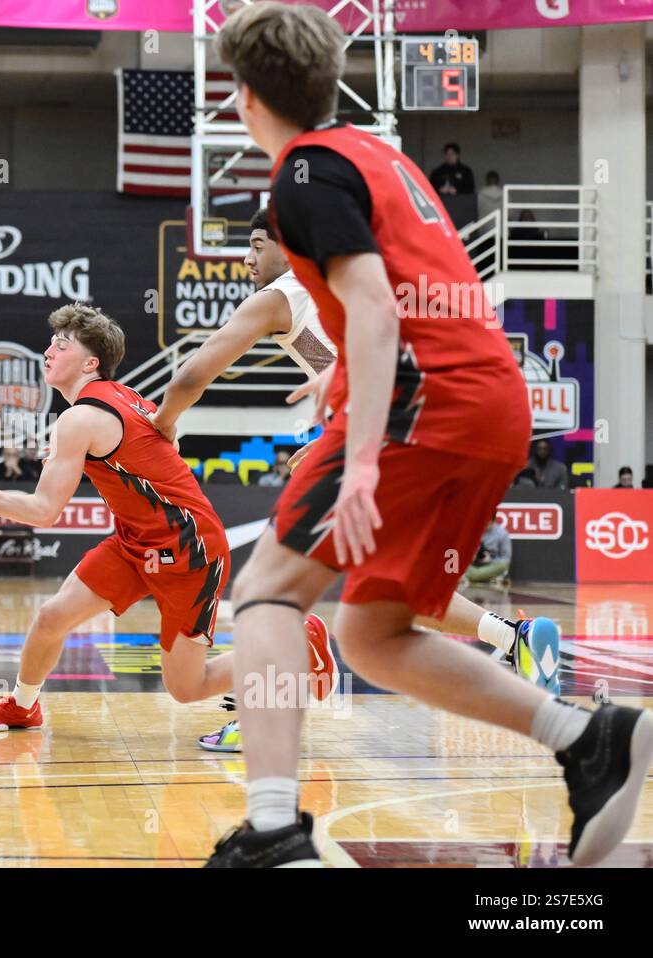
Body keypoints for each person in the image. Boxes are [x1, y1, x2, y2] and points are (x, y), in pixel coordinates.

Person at [203, 2, 650, 869]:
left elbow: (374, 307)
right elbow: (413, 293)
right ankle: (585, 739)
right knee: (374, 633)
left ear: (247, 98)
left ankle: (272, 834)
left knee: (264, 595)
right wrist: (342, 378)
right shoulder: (380, 156)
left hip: (424, 404)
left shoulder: (301, 172)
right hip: (489, 403)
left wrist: (362, 460)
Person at [151, 205, 559, 756]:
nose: (247, 260)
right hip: (432, 431)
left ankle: (263, 717)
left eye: (254, 246)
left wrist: (162, 426)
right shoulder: (349, 281)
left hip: (390, 430)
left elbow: (193, 373)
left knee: (268, 590)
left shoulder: (284, 295)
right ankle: (514, 639)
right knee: (391, 595)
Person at [0, 304, 337, 735]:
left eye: (61, 344)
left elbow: (43, 511)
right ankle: (22, 706)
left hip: (188, 550)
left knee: (186, 687)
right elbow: (162, 450)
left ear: (90, 363)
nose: (48, 350)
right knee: (53, 616)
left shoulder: (80, 418)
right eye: (51, 342)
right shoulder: (125, 398)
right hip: (135, 542)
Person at [464, 518, 511, 585]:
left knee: (502, 566)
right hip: (472, 564)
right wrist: (471, 556)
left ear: (493, 521)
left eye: (487, 522)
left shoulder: (502, 533)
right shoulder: (470, 530)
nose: (484, 524)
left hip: (491, 565)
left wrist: (490, 560)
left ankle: (471, 576)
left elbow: (506, 559)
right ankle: (486, 577)